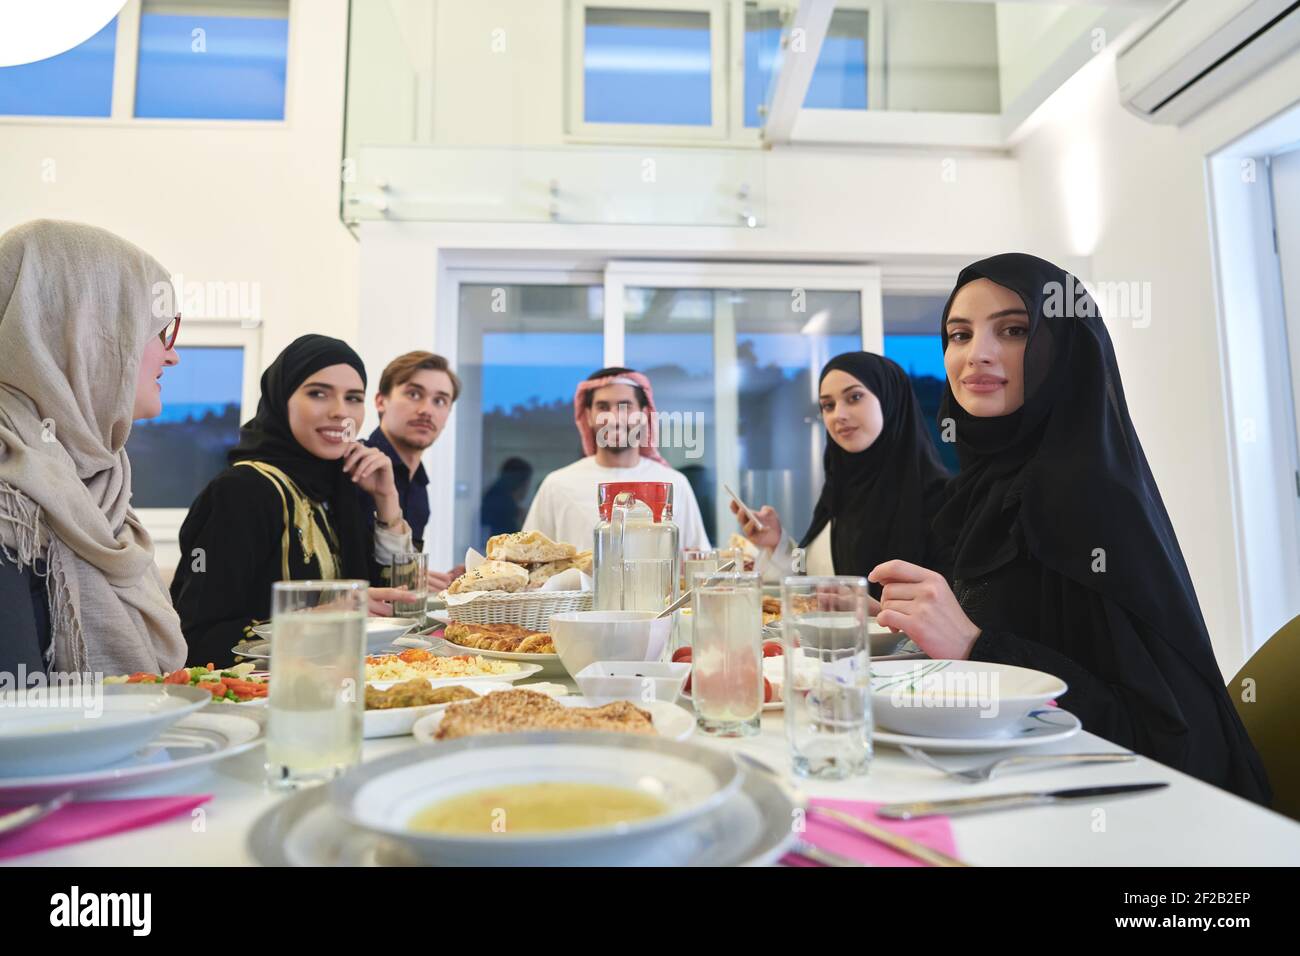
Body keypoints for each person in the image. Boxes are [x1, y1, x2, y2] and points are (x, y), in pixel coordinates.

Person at [867, 253, 1271, 803]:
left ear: (1066, 347)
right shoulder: (986, 487)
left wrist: (974, 645)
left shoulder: (1085, 499)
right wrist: (915, 625)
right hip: (1012, 780)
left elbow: (1163, 736)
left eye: (1013, 330)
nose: (974, 355)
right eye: (958, 335)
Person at [0, 219, 187, 679]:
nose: (172, 354)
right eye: (159, 332)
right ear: (87, 332)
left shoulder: (100, 480)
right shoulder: (12, 500)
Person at [171, 334, 414, 667]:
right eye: (318, 393)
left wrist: (387, 502)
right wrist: (313, 621)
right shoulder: (242, 491)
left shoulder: (339, 490)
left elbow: (401, 606)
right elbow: (196, 641)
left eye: (353, 398)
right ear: (281, 398)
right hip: (266, 702)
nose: (340, 412)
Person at [732, 352, 949, 593]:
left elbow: (948, 612)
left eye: (854, 397)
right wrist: (776, 542)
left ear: (890, 401)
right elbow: (817, 581)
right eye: (828, 405)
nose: (839, 415)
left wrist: (870, 610)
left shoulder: (940, 501)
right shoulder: (838, 492)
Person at [523, 367, 710, 550]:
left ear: (644, 415)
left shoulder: (674, 484)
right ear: (588, 416)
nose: (614, 419)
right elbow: (529, 559)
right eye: (603, 407)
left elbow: (697, 560)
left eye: (625, 407)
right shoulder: (557, 485)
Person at [359, 350, 462, 590]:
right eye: (414, 394)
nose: (427, 410)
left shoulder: (419, 485)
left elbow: (402, 577)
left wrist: (447, 583)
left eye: (440, 401)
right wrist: (411, 579)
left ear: (447, 415)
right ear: (380, 401)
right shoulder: (357, 468)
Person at [480, 457, 533, 539]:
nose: (527, 488)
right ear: (521, 483)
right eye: (528, 483)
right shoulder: (505, 507)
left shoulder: (493, 497)